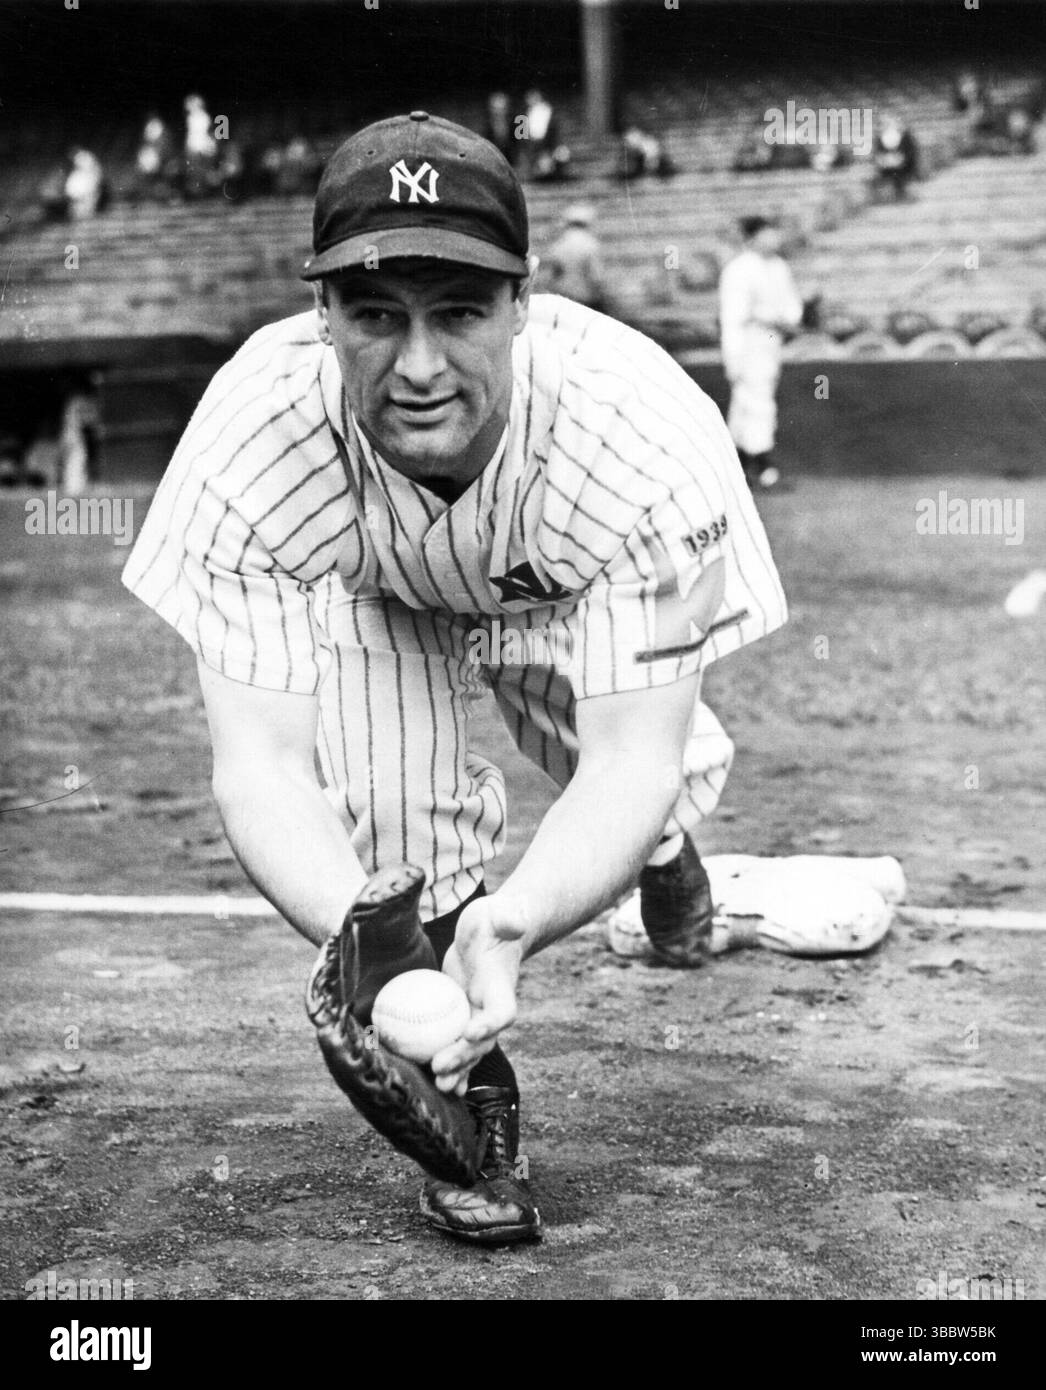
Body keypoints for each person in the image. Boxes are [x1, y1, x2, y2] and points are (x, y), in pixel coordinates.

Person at [122, 112, 787, 1245]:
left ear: (523, 305)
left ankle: (671, 853)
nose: (419, 365)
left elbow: (632, 750)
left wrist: (519, 917)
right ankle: (481, 1097)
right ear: (319, 311)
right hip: (373, 590)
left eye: (460, 313)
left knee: (632, 773)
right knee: (394, 857)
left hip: (558, 582)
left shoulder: (646, 433)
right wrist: (374, 947)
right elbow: (262, 766)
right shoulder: (251, 430)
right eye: (376, 315)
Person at [719, 216, 803, 491]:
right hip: (749, 341)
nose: (773, 239)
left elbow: (791, 303)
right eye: (766, 234)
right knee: (754, 402)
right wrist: (733, 356)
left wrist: (789, 321)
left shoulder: (778, 266)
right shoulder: (738, 269)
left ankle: (744, 466)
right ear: (751, 238)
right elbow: (734, 316)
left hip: (770, 341)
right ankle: (762, 465)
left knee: (753, 401)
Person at [540, 203, 607, 310]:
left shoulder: (559, 244)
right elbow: (596, 276)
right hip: (585, 298)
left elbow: (553, 274)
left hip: (563, 296)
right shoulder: (591, 244)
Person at [523, 88, 570, 181]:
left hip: (550, 150)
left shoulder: (552, 114)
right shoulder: (521, 116)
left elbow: (557, 137)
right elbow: (521, 139)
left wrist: (549, 154)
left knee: (562, 153)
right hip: (532, 152)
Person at [872, 113, 919, 199]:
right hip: (886, 166)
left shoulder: (905, 136)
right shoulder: (879, 138)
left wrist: (901, 159)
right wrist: (884, 160)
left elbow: (910, 152)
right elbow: (877, 154)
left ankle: (902, 192)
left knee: (900, 173)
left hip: (904, 165)